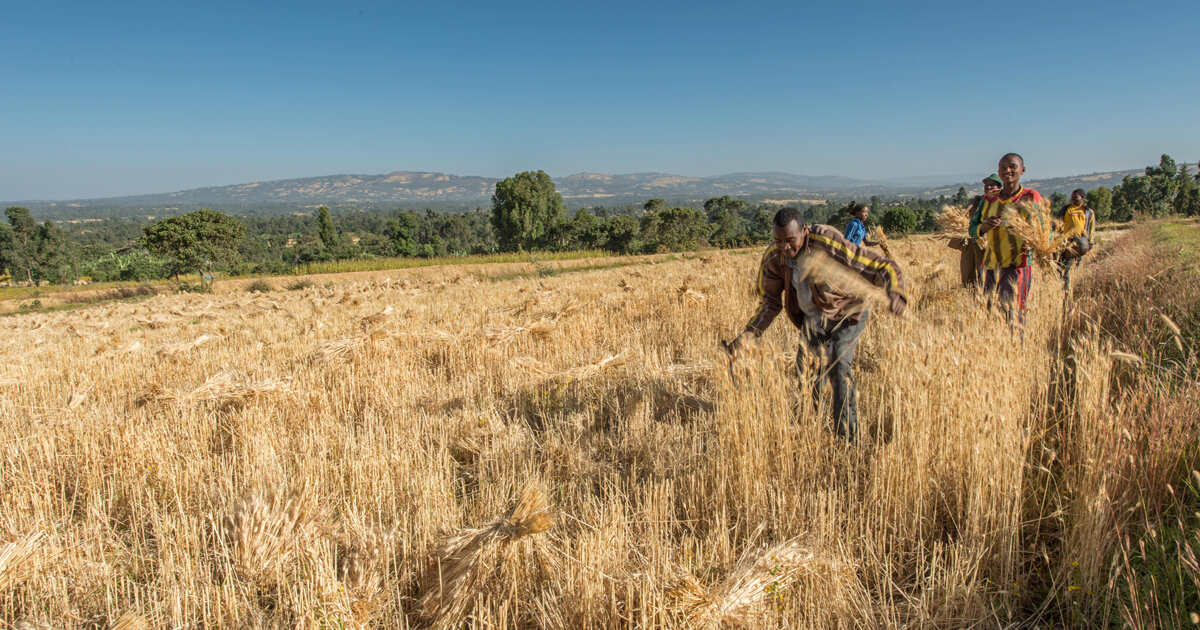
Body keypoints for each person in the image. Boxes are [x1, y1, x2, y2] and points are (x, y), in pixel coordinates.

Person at [727, 207, 907, 441]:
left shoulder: (827, 241)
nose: (785, 247)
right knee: (807, 373)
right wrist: (749, 334)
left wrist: (895, 291)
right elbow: (769, 301)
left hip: (848, 313)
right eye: (778, 241)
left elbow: (882, 265)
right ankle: (811, 430)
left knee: (839, 364)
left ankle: (847, 438)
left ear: (803, 231)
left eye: (790, 241)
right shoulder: (774, 256)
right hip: (813, 320)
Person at [969, 153, 1044, 327]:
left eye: (1012, 167)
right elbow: (972, 229)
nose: (1007, 171)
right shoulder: (988, 199)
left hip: (1017, 266)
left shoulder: (1030, 197)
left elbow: (1043, 230)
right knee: (988, 314)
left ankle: (1016, 351)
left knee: (1013, 314)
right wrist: (985, 227)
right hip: (989, 266)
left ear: (1022, 170)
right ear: (998, 171)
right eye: (1003, 168)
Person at [951, 174, 1003, 287]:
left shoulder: (1000, 203)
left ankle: (983, 293)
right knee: (967, 271)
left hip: (986, 244)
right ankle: (970, 293)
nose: (988, 188)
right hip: (971, 241)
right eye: (986, 185)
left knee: (983, 273)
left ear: (999, 187)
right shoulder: (979, 201)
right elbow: (965, 214)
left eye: (992, 185)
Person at [1054, 189, 1094, 291]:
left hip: (1081, 243)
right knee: (1064, 266)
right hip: (1067, 243)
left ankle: (1074, 287)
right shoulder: (1066, 209)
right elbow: (1057, 223)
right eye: (1072, 197)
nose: (1073, 199)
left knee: (1076, 267)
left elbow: (1092, 227)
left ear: (1082, 198)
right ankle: (1065, 287)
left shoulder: (1088, 212)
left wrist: (1090, 242)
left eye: (1075, 197)